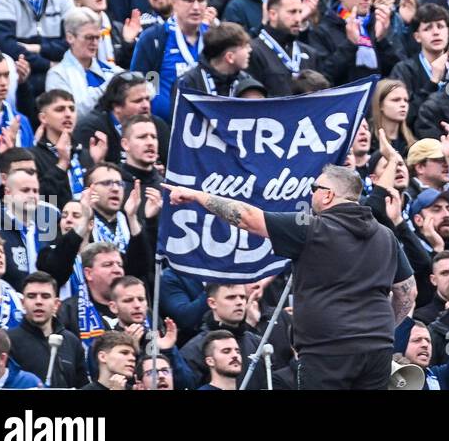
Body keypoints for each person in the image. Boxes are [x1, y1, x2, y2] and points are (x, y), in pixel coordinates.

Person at [168, 164, 417, 389]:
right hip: (378, 349)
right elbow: (407, 292)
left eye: (314, 188)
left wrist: (197, 195)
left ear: (328, 194)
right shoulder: (386, 236)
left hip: (327, 350)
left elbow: (246, 218)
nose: (311, 194)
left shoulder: (312, 228)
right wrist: (382, 328)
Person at [8, 272, 87, 387]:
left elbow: (82, 385)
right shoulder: (9, 341)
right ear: (22, 303)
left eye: (45, 296)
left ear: (56, 304)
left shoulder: (71, 341)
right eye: (31, 296)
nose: (38, 302)